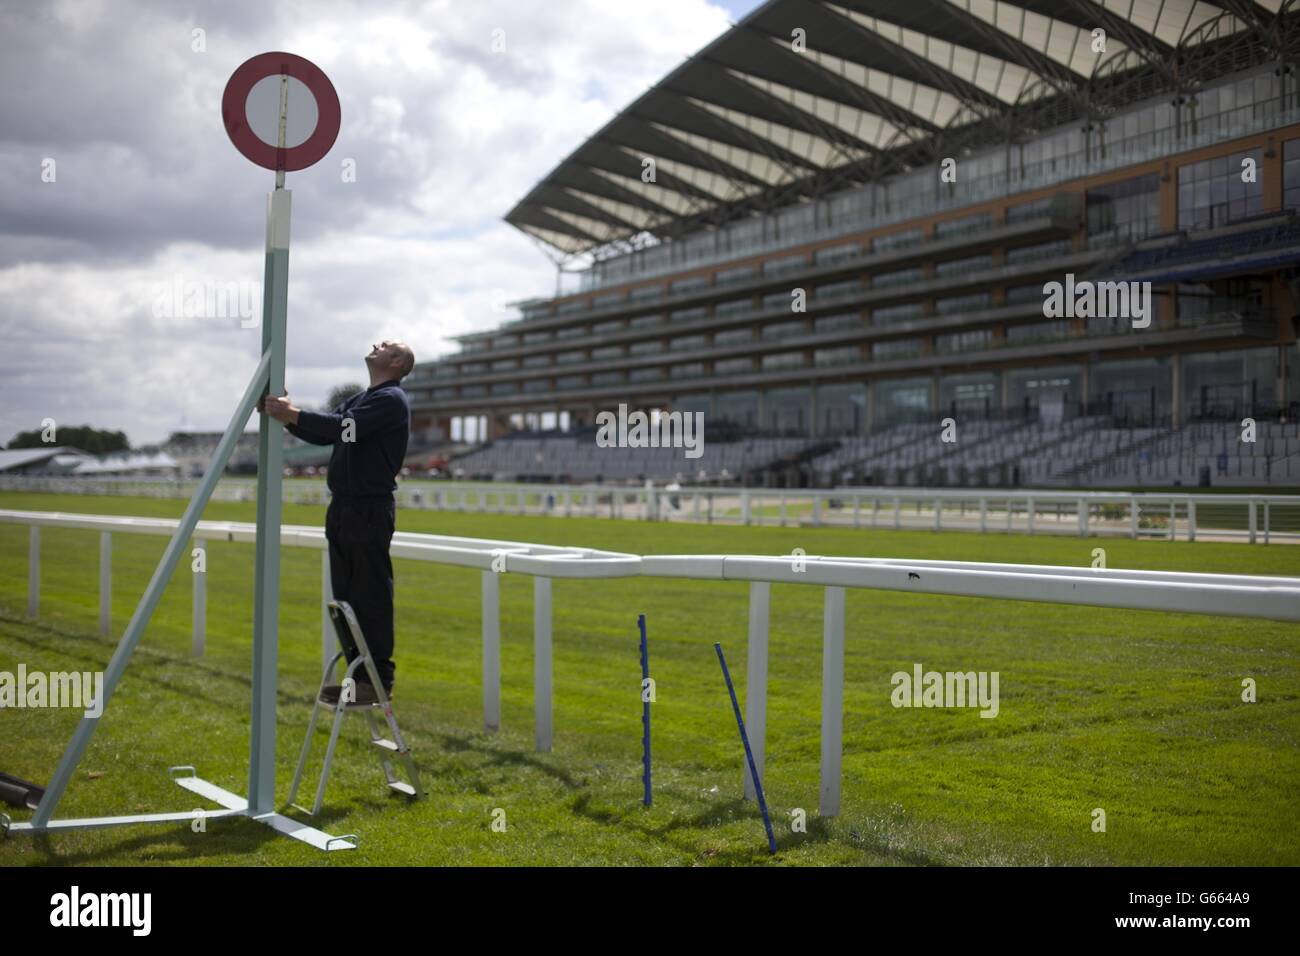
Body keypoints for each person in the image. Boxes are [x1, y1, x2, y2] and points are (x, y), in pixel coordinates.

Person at [258, 340, 414, 705]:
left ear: (396, 361)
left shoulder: (390, 400)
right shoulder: (365, 398)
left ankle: (376, 681)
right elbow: (325, 431)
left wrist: (291, 413)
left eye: (385, 345)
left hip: (368, 510)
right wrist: (285, 413)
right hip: (345, 509)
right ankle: (358, 676)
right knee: (345, 597)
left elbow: (344, 428)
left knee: (369, 596)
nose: (376, 345)